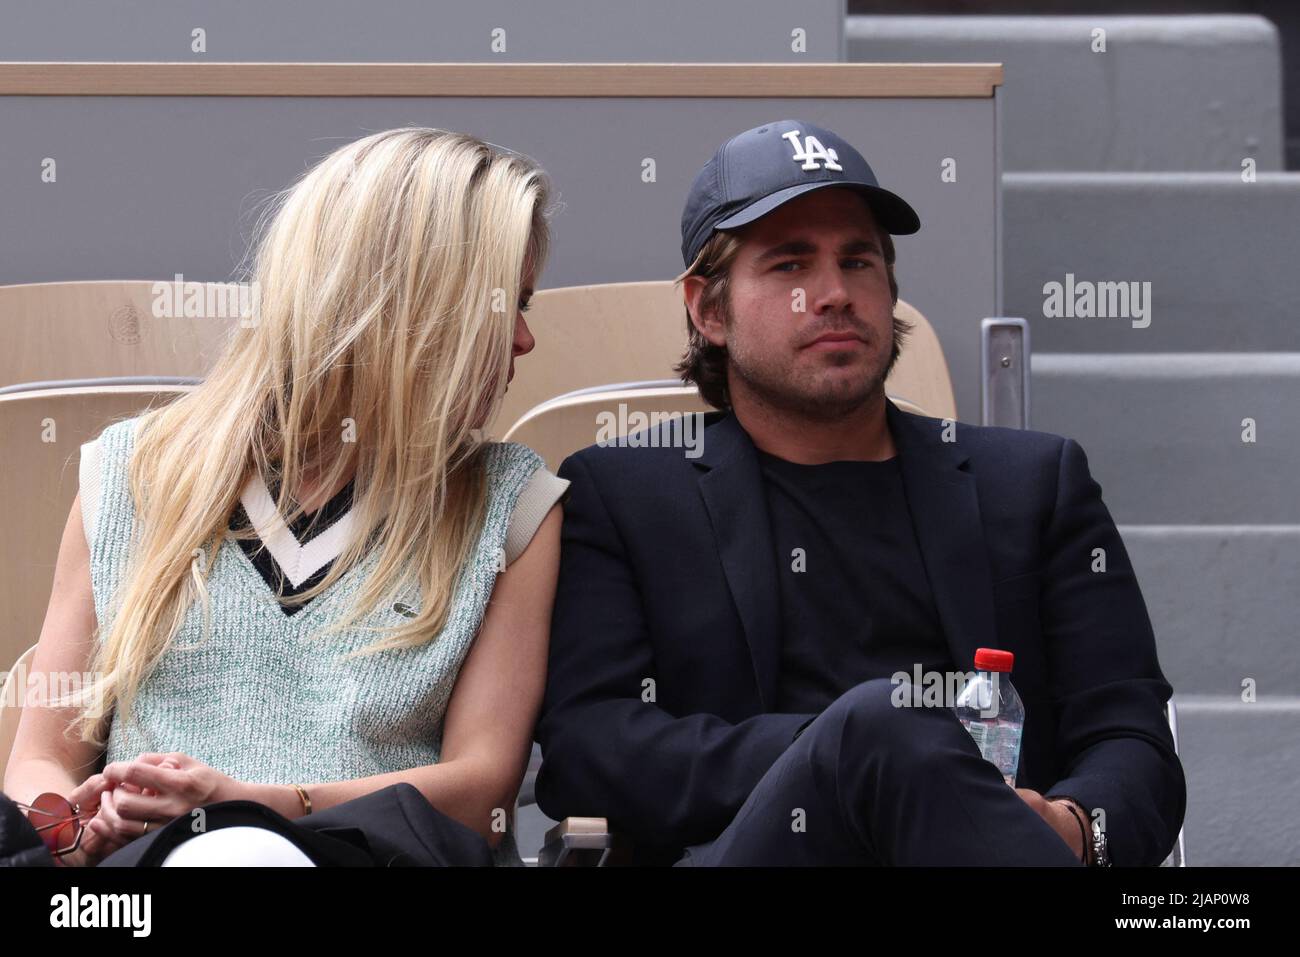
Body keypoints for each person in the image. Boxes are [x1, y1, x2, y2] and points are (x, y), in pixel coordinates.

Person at [534, 119, 1186, 866]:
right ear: (708, 310)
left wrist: (1077, 826)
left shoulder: (1035, 484)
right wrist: (865, 750)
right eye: (789, 266)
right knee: (886, 720)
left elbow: (1130, 732)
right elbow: (592, 746)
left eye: (859, 260)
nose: (835, 294)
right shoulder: (622, 494)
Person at [2, 127, 569, 866]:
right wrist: (74, 832)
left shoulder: (513, 501)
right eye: (508, 303)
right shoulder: (133, 474)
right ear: (411, 305)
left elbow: (482, 792)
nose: (524, 340)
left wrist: (249, 805)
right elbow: (40, 758)